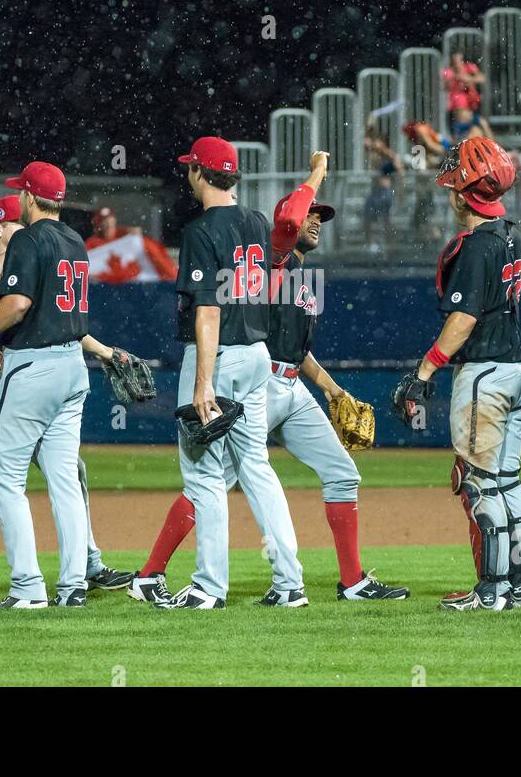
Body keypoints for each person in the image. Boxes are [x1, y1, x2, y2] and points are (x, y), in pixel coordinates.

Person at [130, 153, 408, 604]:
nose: (315, 222)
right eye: (311, 215)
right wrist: (316, 173)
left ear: (199, 173)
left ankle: (228, 585)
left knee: (216, 477)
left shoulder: (275, 261)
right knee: (231, 476)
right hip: (261, 373)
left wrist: (331, 388)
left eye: (321, 217)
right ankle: (165, 572)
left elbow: (229, 318)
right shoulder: (268, 246)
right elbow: (286, 224)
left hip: (260, 372)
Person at [0, 195, 133, 604]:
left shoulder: (37, 250)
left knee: (70, 472)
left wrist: (107, 351)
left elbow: (61, 322)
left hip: (28, 378)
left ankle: (85, 566)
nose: (20, 229)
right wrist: (30, 247)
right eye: (10, 226)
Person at [392, 136, 521, 612]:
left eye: (453, 186)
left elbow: (463, 319)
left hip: (486, 374)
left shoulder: (477, 246)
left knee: (479, 483)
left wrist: (424, 371)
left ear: (463, 192)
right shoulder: (511, 232)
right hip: (519, 368)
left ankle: (492, 590)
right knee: (510, 482)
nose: (449, 194)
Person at [161, 136, 303, 609]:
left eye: (190, 168)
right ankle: (290, 583)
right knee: (257, 468)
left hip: (218, 358)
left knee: (203, 475)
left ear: (200, 173)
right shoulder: (257, 221)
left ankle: (208, 586)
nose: (188, 175)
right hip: (257, 355)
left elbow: (207, 311)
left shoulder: (201, 231)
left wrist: (204, 382)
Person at [0, 161, 94, 608]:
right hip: (74, 365)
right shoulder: (75, 240)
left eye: (21, 193)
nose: (18, 198)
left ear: (31, 198)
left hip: (32, 366)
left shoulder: (28, 239)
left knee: (4, 474)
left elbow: (15, 304)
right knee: (64, 480)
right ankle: (74, 584)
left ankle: (28, 588)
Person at [85, 205, 178, 281]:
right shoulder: (92, 243)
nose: (107, 225)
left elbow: (139, 242)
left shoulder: (123, 235)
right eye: (104, 222)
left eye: (110, 221)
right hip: (109, 286)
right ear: (98, 225)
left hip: (133, 283)